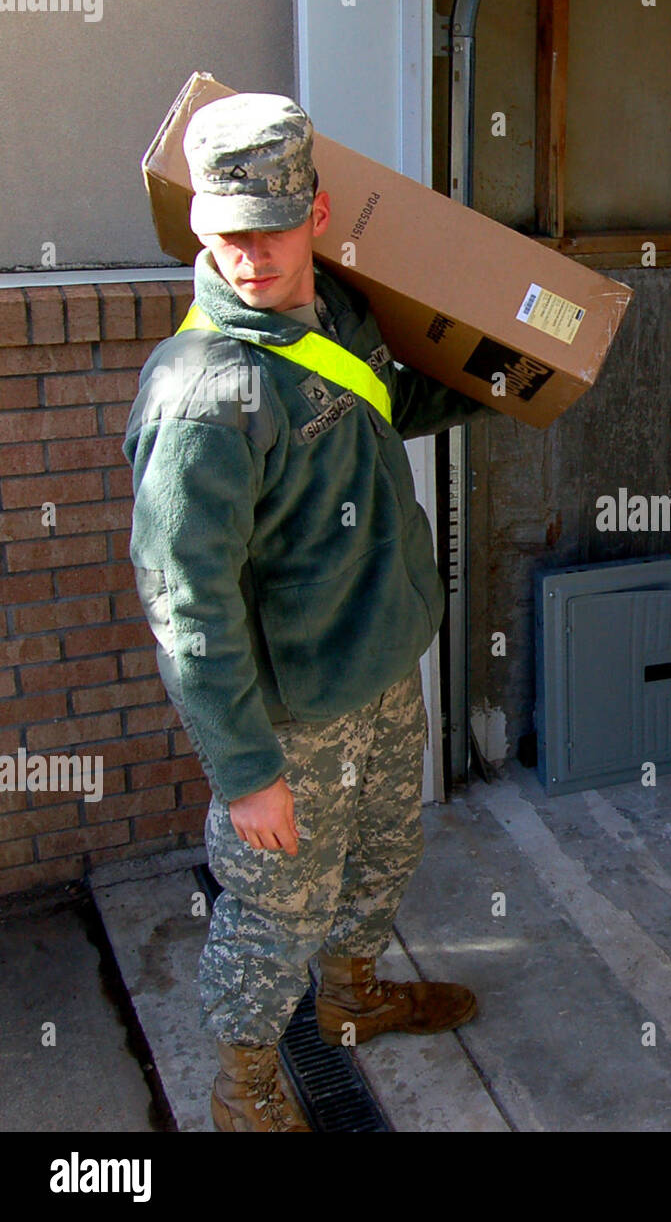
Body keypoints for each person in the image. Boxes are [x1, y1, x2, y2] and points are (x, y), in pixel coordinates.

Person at [123, 94, 486, 1131]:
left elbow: (385, 402)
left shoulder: (337, 314)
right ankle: (244, 1094)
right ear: (199, 223)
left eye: (272, 229)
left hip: (381, 664)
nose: (250, 257)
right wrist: (246, 773)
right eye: (227, 233)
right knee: (275, 915)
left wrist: (508, 377)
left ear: (317, 215)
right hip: (294, 715)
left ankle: (352, 997)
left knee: (385, 852)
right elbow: (185, 606)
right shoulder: (202, 396)